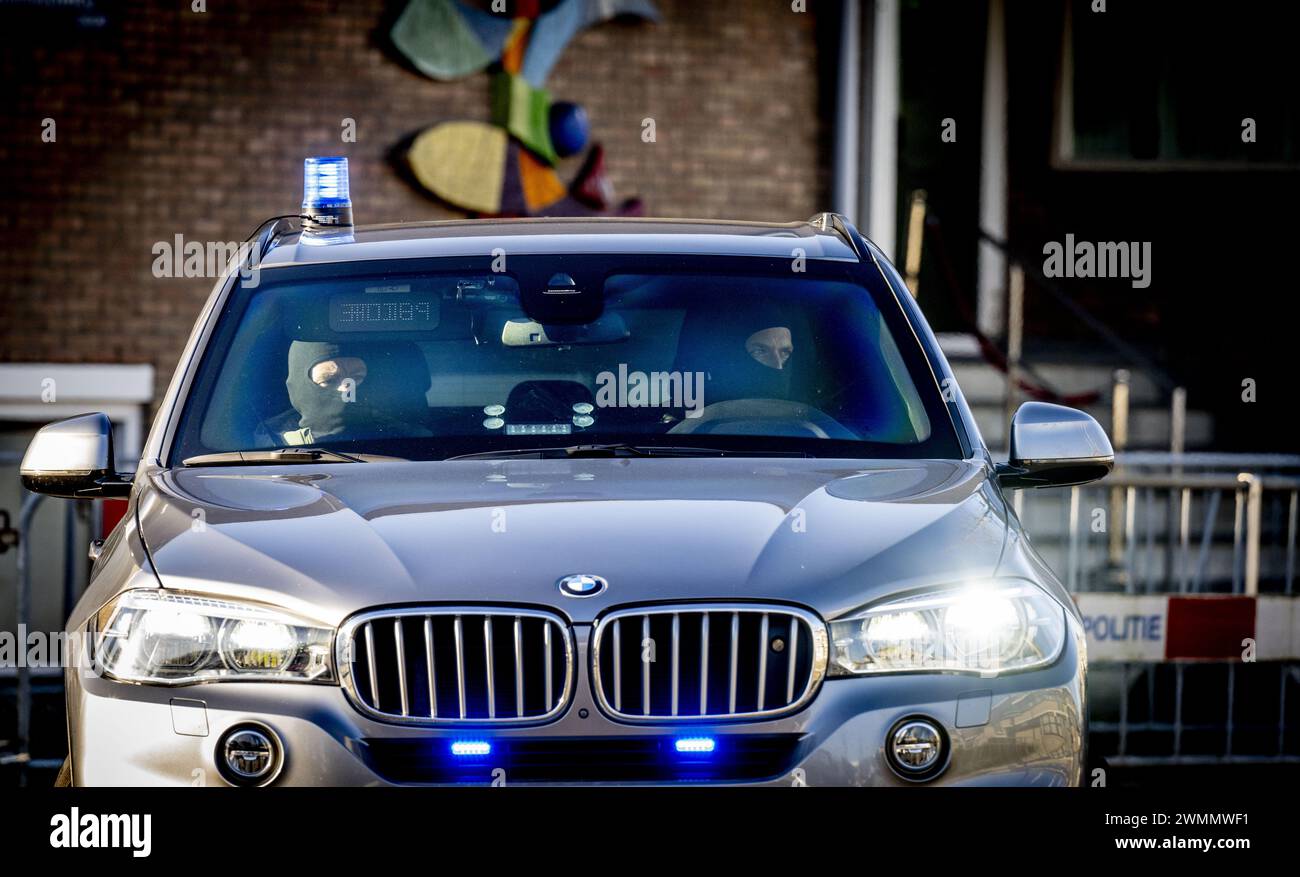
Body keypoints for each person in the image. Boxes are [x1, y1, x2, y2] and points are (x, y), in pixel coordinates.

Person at [255, 340, 433, 446]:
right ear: (299, 388)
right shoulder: (267, 453)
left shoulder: (415, 444)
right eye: (329, 380)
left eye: (357, 377)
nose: (347, 388)